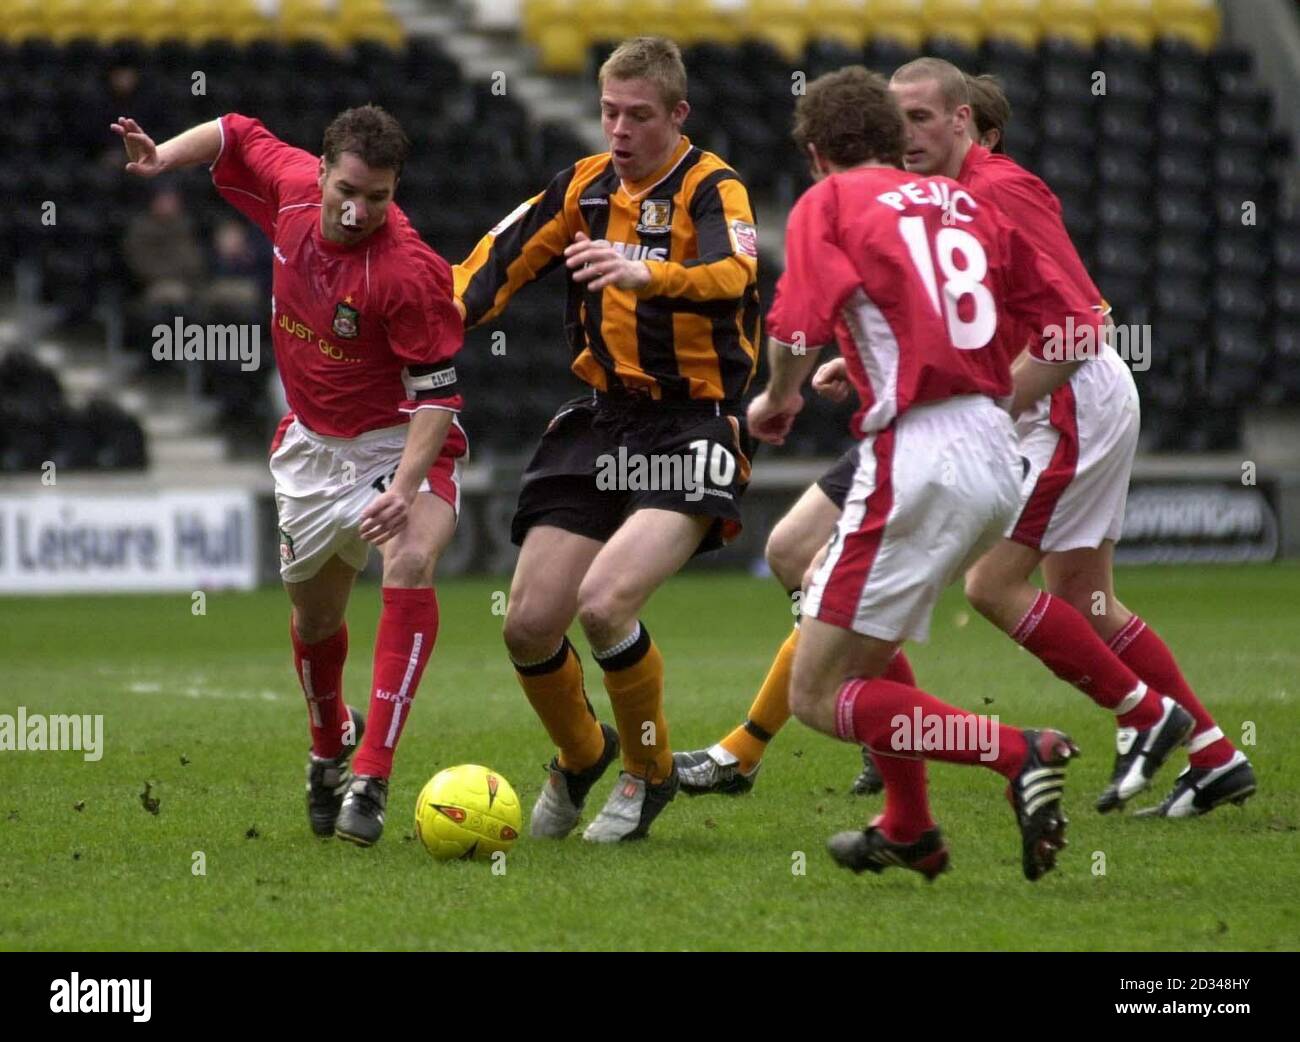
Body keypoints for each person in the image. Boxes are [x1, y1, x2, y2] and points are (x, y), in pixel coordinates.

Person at [749, 66, 1099, 880]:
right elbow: (1073, 326)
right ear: (888, 137)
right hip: (995, 449)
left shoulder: (827, 203)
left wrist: (777, 397)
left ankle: (1019, 751)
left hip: (917, 457)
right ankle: (910, 826)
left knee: (817, 696)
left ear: (814, 152)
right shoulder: (964, 201)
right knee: (858, 649)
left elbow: (795, 323)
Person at [891, 57, 1255, 816]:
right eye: (897, 120)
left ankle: (1144, 715)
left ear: (963, 121)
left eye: (921, 117)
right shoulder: (946, 199)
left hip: (1068, 398)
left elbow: (1079, 327)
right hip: (1068, 397)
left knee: (991, 585)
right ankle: (1215, 754)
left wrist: (988, 409)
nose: (906, 133)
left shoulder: (1002, 189)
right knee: (1085, 599)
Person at [113, 105, 468, 846]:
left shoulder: (410, 271)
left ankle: (371, 774)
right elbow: (236, 130)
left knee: (408, 558)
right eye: (349, 188)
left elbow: (438, 396)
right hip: (311, 449)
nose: (360, 208)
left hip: (396, 444)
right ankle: (328, 743)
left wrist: (403, 489)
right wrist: (163, 157)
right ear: (321, 170)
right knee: (315, 621)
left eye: (379, 196)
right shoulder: (292, 187)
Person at [453, 36, 760, 842]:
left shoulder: (711, 185)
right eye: (608, 113)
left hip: (693, 420)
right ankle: (584, 754)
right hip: (602, 420)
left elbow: (735, 277)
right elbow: (491, 269)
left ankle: (648, 771)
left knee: (605, 602)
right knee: (526, 624)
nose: (619, 131)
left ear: (678, 114)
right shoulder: (582, 188)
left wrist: (644, 272)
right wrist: (420, 316)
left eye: (639, 116)